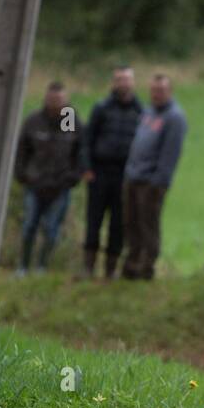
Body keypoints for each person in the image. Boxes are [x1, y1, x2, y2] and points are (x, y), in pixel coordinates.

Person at [120, 74, 188, 281]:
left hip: (151, 182)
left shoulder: (175, 118)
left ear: (170, 92)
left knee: (148, 225)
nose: (156, 95)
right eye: (153, 91)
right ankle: (131, 266)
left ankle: (146, 268)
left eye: (161, 91)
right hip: (133, 176)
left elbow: (170, 154)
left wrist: (158, 182)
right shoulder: (148, 112)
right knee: (131, 224)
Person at [13, 82, 84, 274]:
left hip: (60, 186)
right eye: (52, 99)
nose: (56, 104)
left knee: (51, 229)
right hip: (35, 184)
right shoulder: (34, 121)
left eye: (60, 100)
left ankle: (42, 266)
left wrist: (73, 177)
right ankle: (23, 266)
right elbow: (21, 151)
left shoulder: (69, 120)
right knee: (29, 226)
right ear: (46, 99)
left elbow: (79, 151)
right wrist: (22, 175)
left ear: (65, 101)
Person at [81, 67, 144, 278]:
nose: (123, 84)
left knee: (119, 223)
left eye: (126, 80)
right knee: (94, 219)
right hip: (99, 172)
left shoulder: (140, 111)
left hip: (125, 176)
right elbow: (87, 140)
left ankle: (110, 271)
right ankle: (88, 268)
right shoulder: (101, 108)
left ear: (133, 83)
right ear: (113, 82)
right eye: (119, 80)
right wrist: (87, 168)